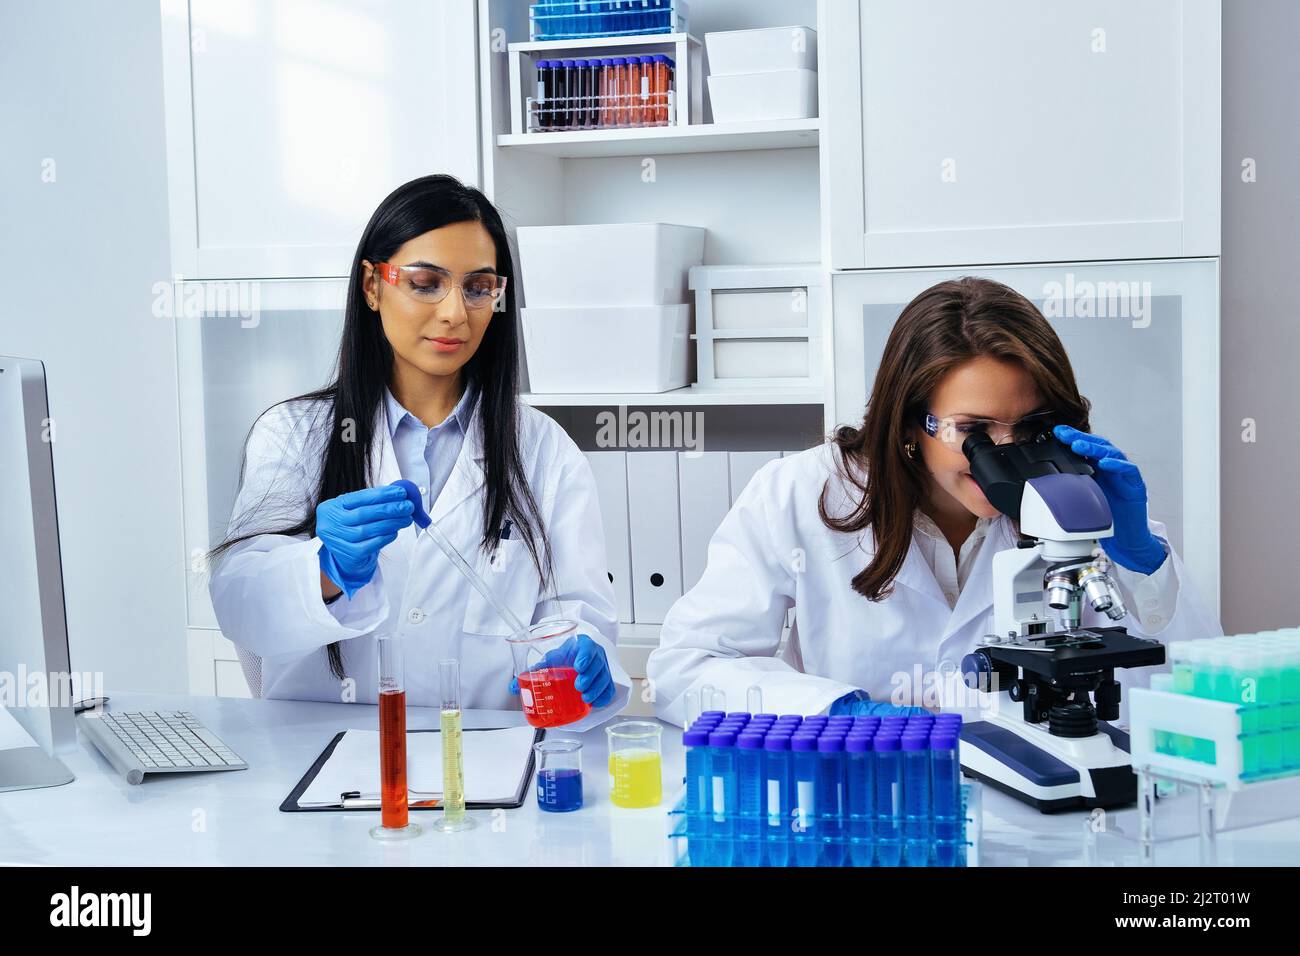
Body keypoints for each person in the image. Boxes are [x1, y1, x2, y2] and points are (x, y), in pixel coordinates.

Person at [648, 276, 1220, 723]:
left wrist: (1142, 562)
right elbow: (684, 670)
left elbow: (1197, 692)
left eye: (1029, 429)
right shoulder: (800, 494)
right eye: (973, 431)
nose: (1004, 455)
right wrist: (832, 713)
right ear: (907, 425)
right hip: (863, 803)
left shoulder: (1071, 507)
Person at [208, 175, 628, 729]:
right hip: (318, 762)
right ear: (373, 286)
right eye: (426, 282)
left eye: (479, 287)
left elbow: (573, 611)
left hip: (484, 764)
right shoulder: (294, 434)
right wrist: (325, 570)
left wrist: (582, 649)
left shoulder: (544, 450)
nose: (456, 312)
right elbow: (241, 607)